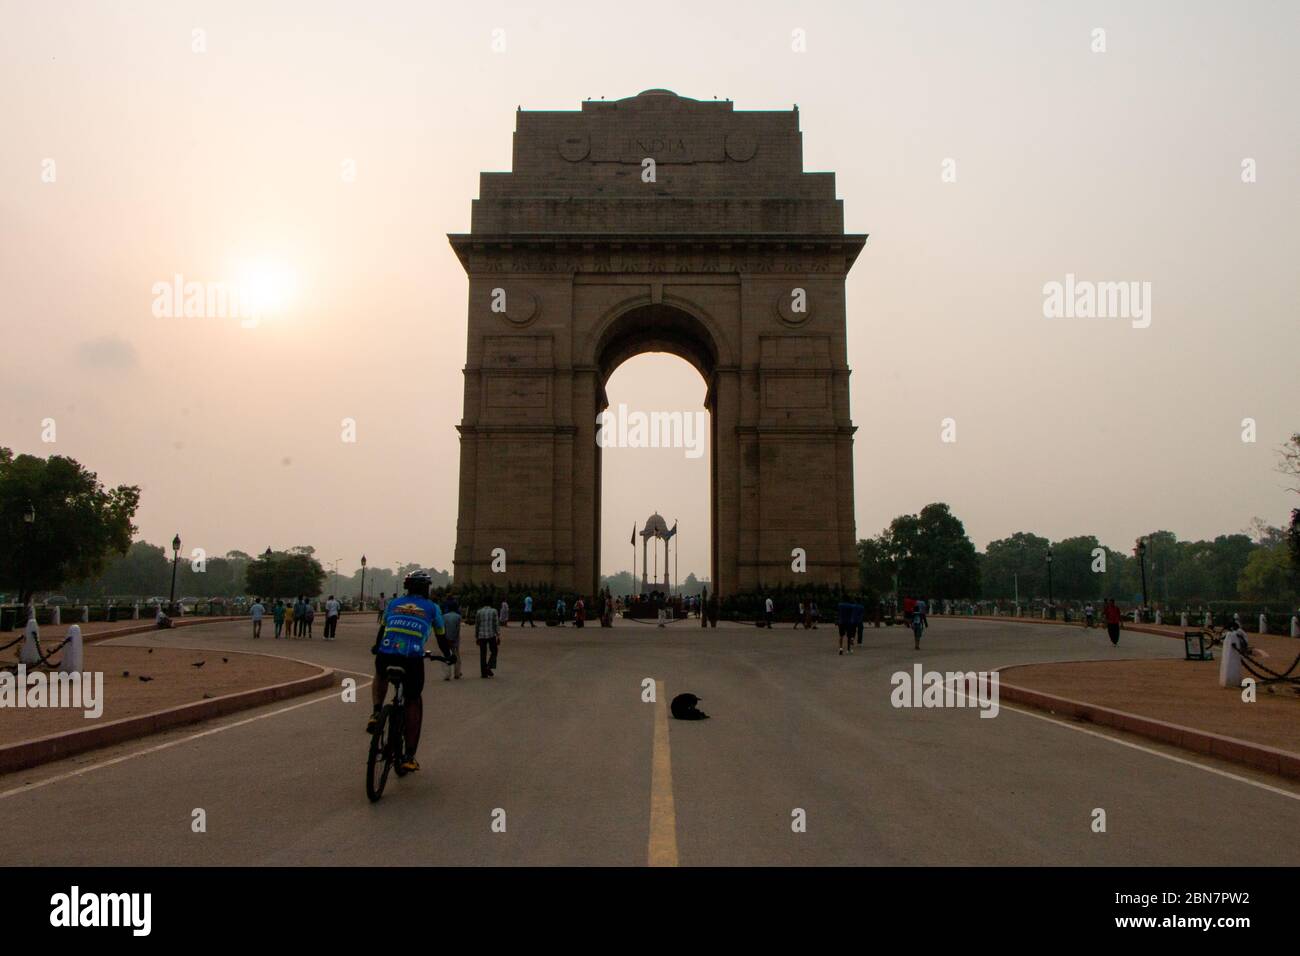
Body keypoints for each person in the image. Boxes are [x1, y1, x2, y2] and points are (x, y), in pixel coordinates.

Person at [367, 570, 445, 773]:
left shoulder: (393, 604)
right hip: (411, 658)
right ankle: (409, 756)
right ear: (426, 589)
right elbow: (442, 638)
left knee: (381, 673)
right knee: (413, 700)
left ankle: (376, 712)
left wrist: (377, 647)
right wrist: (449, 655)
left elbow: (382, 631)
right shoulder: (432, 608)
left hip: (387, 652)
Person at [439, 597, 463, 681]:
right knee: (456, 656)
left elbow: (443, 629)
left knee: (446, 656)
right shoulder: (458, 617)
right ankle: (457, 673)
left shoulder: (444, 616)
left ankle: (447, 675)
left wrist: (446, 638)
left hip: (446, 639)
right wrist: (453, 639)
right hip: (455, 640)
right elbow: (457, 629)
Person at [476, 598, 501, 678]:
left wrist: (477, 636)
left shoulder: (479, 612)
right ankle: (489, 666)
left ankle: (483, 673)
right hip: (491, 635)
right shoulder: (494, 611)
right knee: (494, 651)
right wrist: (498, 635)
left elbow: (477, 625)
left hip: (481, 635)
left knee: (483, 654)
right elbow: (496, 624)